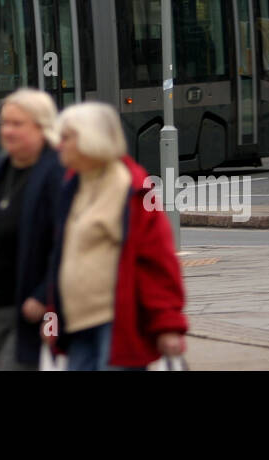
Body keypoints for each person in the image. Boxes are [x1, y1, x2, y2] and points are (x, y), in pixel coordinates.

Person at [44, 102, 187, 370]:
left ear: (91, 140)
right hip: (77, 324)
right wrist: (51, 315)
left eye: (67, 137)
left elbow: (157, 261)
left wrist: (167, 324)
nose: (59, 145)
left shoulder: (130, 187)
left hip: (116, 326)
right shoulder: (72, 184)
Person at [0, 88, 65, 371]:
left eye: (17, 124)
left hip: (29, 312)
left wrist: (43, 295)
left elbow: (69, 243)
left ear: (42, 127)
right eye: (4, 123)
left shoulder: (57, 172)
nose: (7, 131)